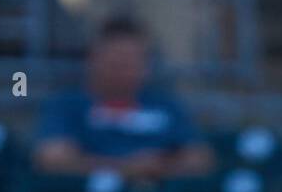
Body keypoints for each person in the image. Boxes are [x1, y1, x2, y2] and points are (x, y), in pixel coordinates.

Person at [34, 16, 213, 180]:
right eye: (115, 62)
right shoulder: (67, 105)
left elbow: (199, 158)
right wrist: (123, 168)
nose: (123, 71)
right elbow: (52, 159)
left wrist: (157, 168)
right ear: (93, 60)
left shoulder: (165, 105)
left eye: (131, 62)